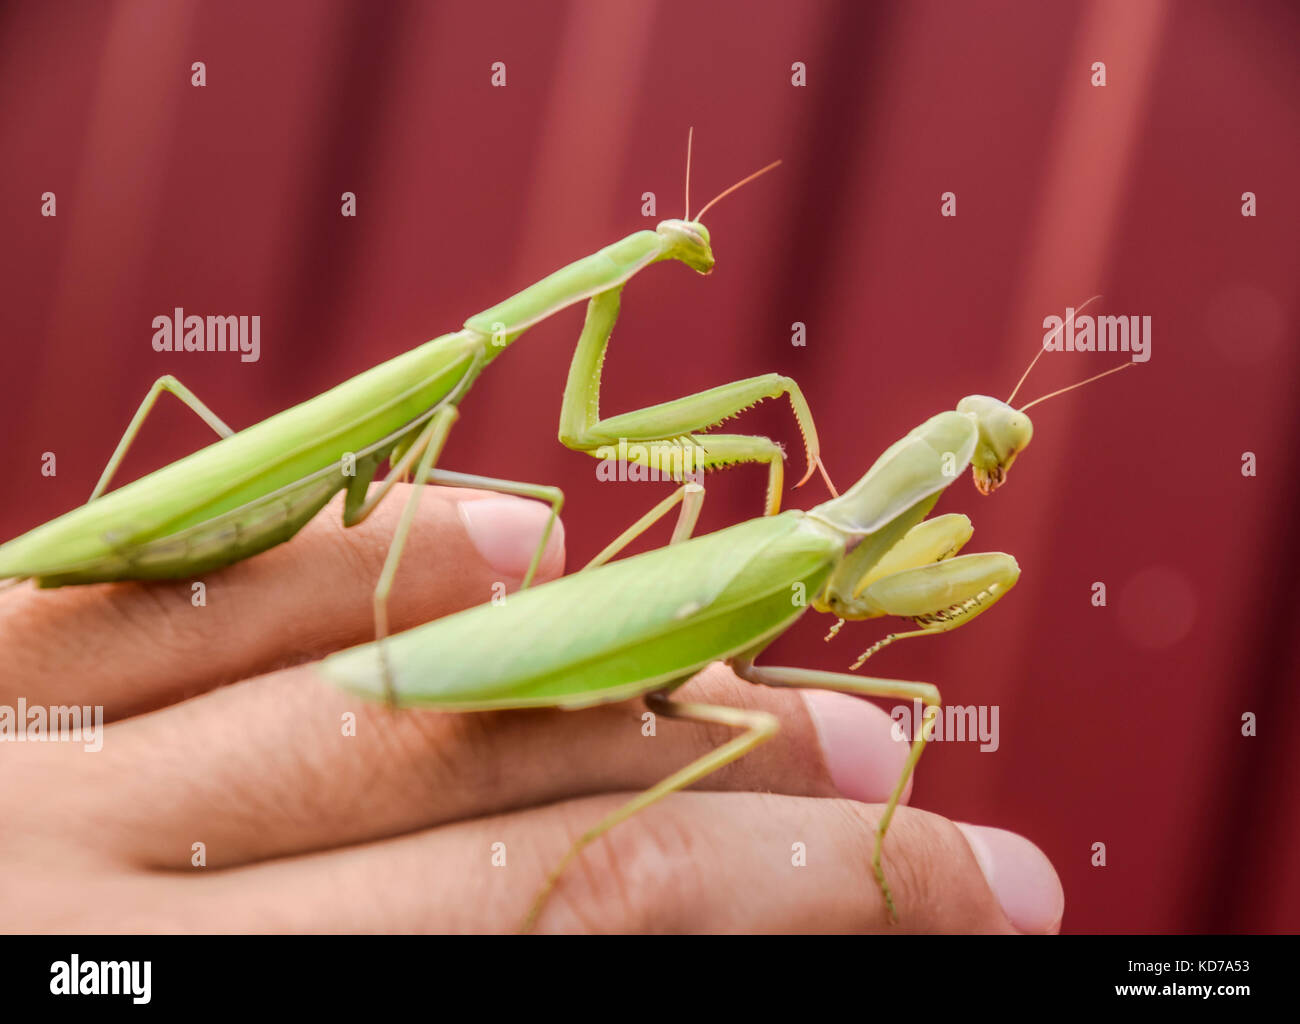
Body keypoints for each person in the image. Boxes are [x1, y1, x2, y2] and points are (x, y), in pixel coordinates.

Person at [0, 487, 1062, 933]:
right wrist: (600, 860)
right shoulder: (811, 540)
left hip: (622, 641)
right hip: (578, 654)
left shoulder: (811, 538)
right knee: (896, 700)